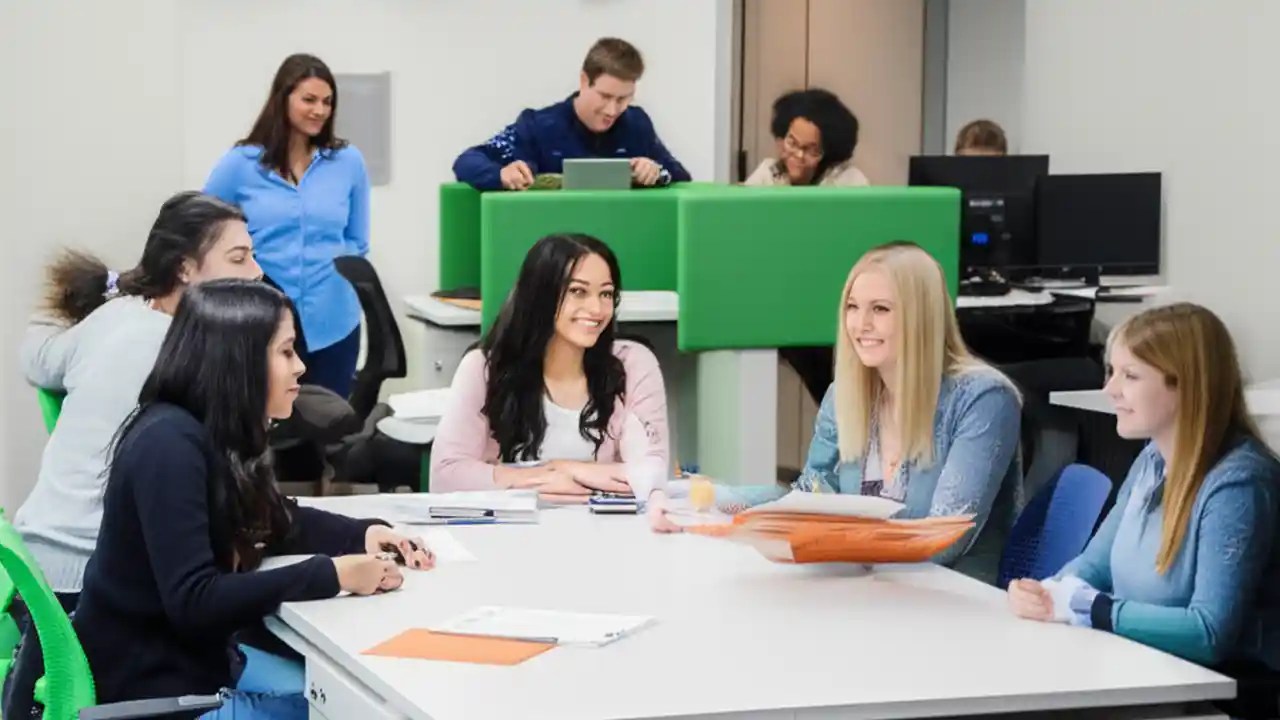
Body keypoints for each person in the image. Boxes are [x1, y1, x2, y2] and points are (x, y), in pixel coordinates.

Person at [69, 279, 432, 718]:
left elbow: (271, 520)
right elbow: (194, 600)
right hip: (153, 692)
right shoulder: (169, 445)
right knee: (346, 708)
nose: (300, 367)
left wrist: (362, 534)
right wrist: (332, 574)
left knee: (339, 695)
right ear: (239, 360)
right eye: (286, 352)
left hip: (197, 665)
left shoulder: (209, 432)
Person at [1008, 303, 1280, 720]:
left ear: (1185, 386)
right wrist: (1047, 592)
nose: (1110, 390)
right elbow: (1094, 566)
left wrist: (1092, 608)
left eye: (1130, 376)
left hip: (1223, 695)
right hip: (1146, 671)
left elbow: (1209, 632)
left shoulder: (1239, 484)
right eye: (1111, 372)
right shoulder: (1153, 459)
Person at [717, 242, 1023, 584]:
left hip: (953, 598)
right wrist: (715, 502)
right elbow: (808, 497)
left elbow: (946, 538)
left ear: (920, 317)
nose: (860, 324)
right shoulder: (846, 395)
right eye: (852, 307)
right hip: (865, 589)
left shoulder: (983, 400)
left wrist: (834, 542)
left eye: (880, 309)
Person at [16, 192, 264, 607]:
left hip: (35, 569)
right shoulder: (187, 355)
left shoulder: (116, 314)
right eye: (238, 259)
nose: (257, 273)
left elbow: (37, 360)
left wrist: (65, 305)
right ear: (184, 269)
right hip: (91, 583)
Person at [431, 234, 678, 533]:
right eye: (578, 291)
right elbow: (445, 476)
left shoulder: (633, 364)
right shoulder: (484, 369)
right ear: (540, 295)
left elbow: (650, 472)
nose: (597, 309)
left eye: (606, 294)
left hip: (605, 535)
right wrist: (535, 478)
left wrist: (563, 468)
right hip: (505, 537)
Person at [204, 53, 370, 398]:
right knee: (266, 421)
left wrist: (334, 274)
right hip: (262, 322)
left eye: (327, 102)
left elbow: (357, 240)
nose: (320, 110)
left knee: (329, 420)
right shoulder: (240, 164)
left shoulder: (348, 162)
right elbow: (203, 230)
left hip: (333, 321)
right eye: (309, 100)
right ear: (283, 99)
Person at [452, 37, 691, 191]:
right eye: (605, 96)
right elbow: (467, 161)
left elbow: (680, 176)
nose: (612, 110)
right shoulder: (537, 126)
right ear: (584, 81)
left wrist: (656, 172)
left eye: (623, 99)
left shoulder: (637, 124)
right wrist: (500, 174)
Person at [743, 88, 868, 187]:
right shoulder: (768, 173)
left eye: (811, 150)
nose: (799, 155)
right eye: (792, 143)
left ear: (828, 153)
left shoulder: (849, 179)